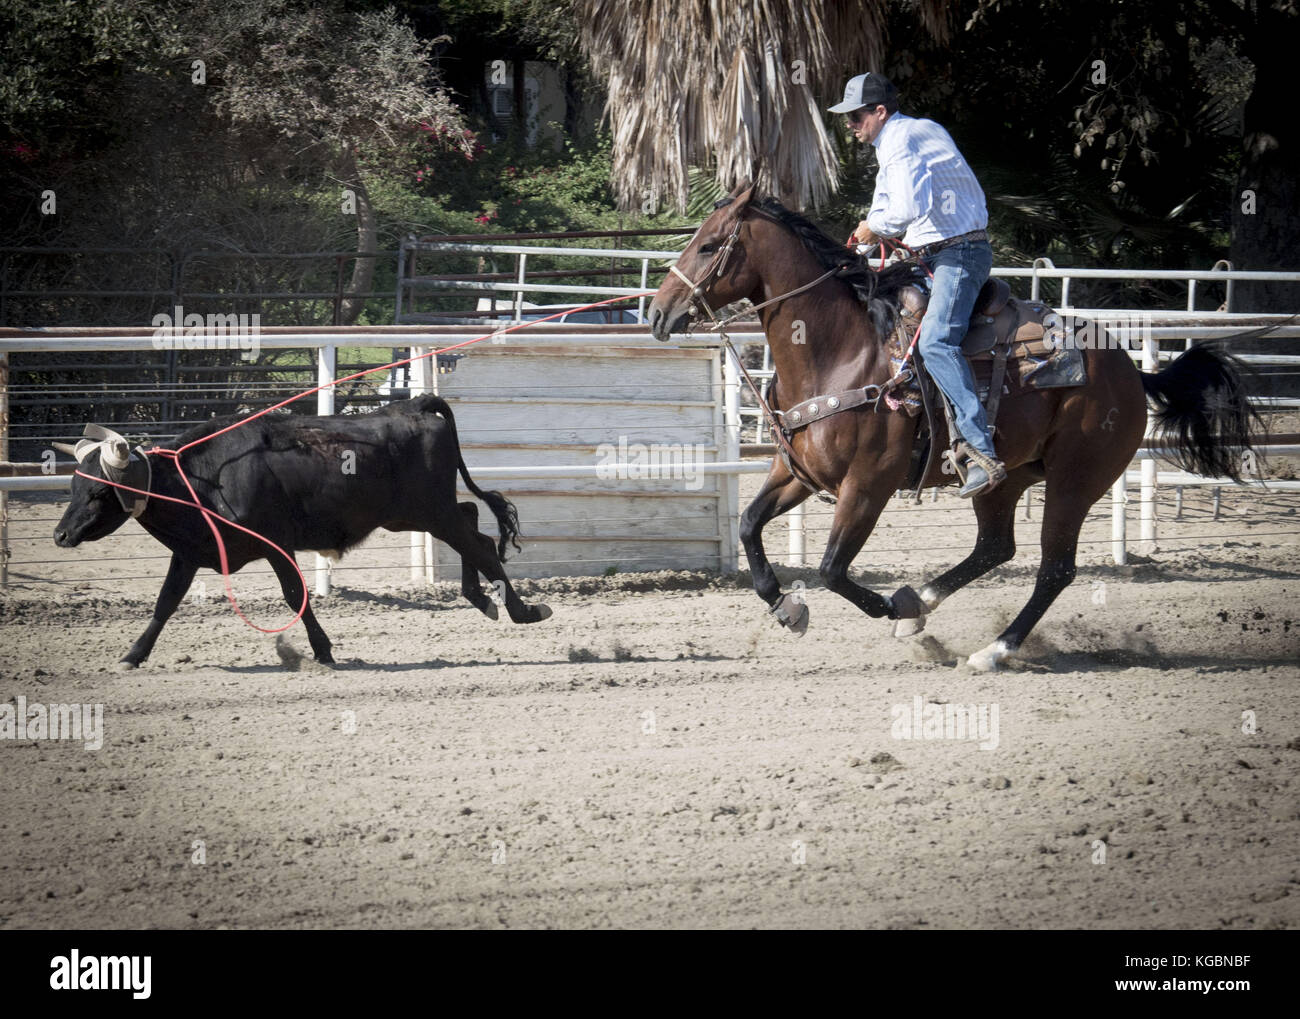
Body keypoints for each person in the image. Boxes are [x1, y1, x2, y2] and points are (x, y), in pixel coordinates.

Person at [829, 72, 1006, 497]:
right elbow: (885, 206)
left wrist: (873, 229)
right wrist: (855, 254)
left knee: (936, 342)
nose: (851, 125)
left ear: (879, 112)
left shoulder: (899, 139)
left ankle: (981, 451)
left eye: (855, 116)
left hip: (958, 255)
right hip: (934, 253)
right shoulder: (902, 138)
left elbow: (903, 209)